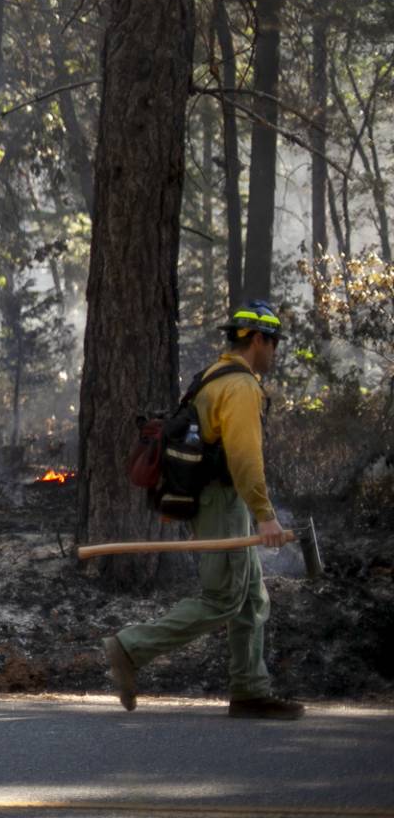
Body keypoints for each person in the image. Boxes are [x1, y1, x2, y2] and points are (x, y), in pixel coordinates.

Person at [103, 301, 304, 720]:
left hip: (218, 501)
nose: (274, 353)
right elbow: (245, 459)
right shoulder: (241, 386)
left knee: (249, 598)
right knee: (223, 598)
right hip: (221, 501)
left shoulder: (212, 376)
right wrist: (265, 516)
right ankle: (131, 646)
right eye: (274, 343)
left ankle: (250, 691)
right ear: (260, 339)